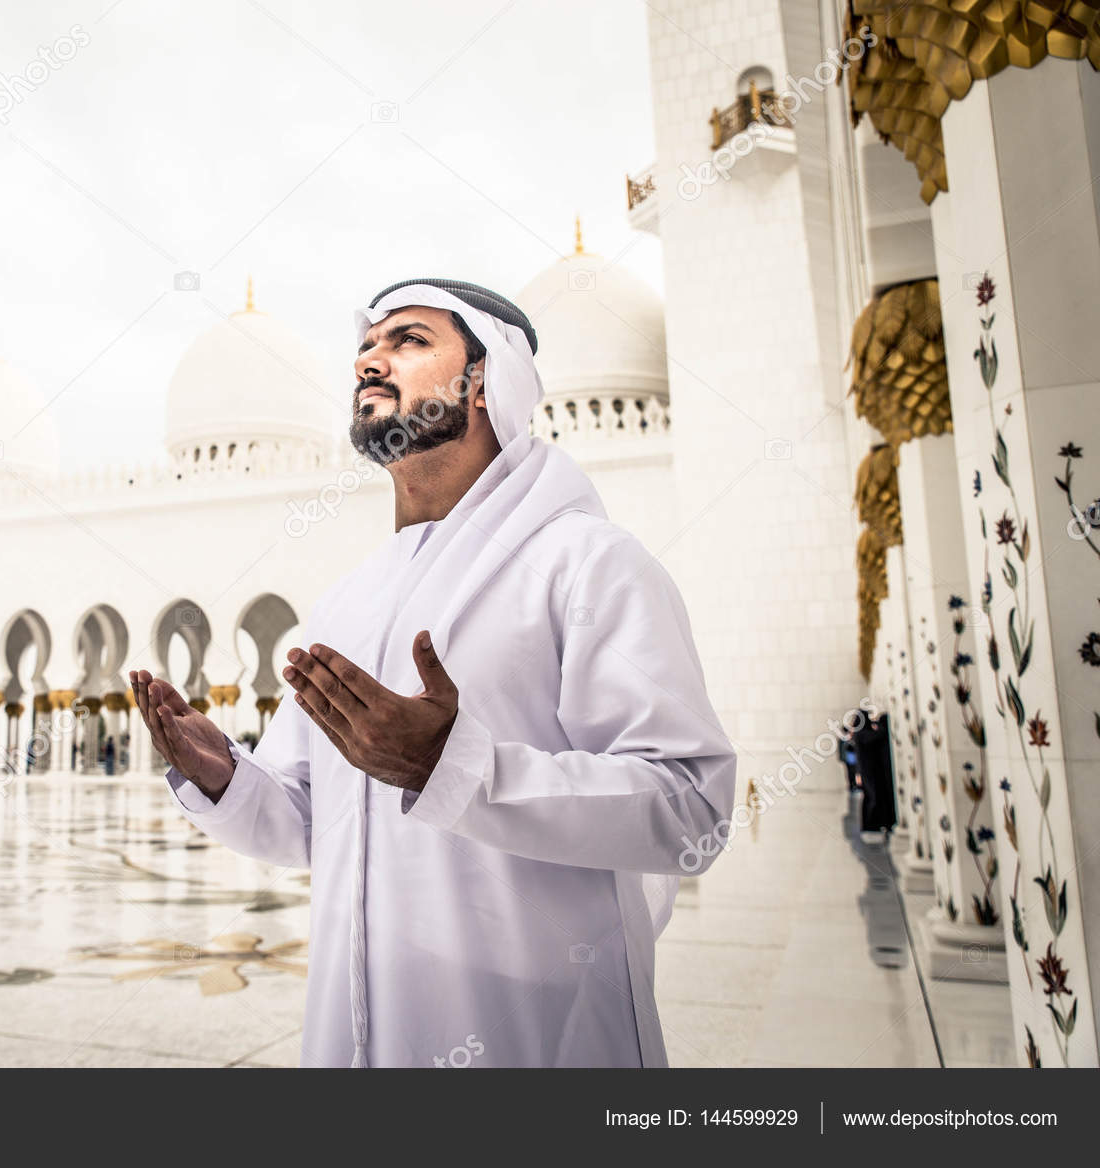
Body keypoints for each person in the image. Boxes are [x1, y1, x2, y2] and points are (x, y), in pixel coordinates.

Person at [132, 278, 736, 1068]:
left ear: (486, 381)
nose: (372, 361)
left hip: (538, 1038)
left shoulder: (587, 564)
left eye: (410, 341)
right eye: (366, 347)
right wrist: (222, 776)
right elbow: (310, 822)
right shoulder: (350, 602)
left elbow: (692, 809)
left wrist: (453, 765)